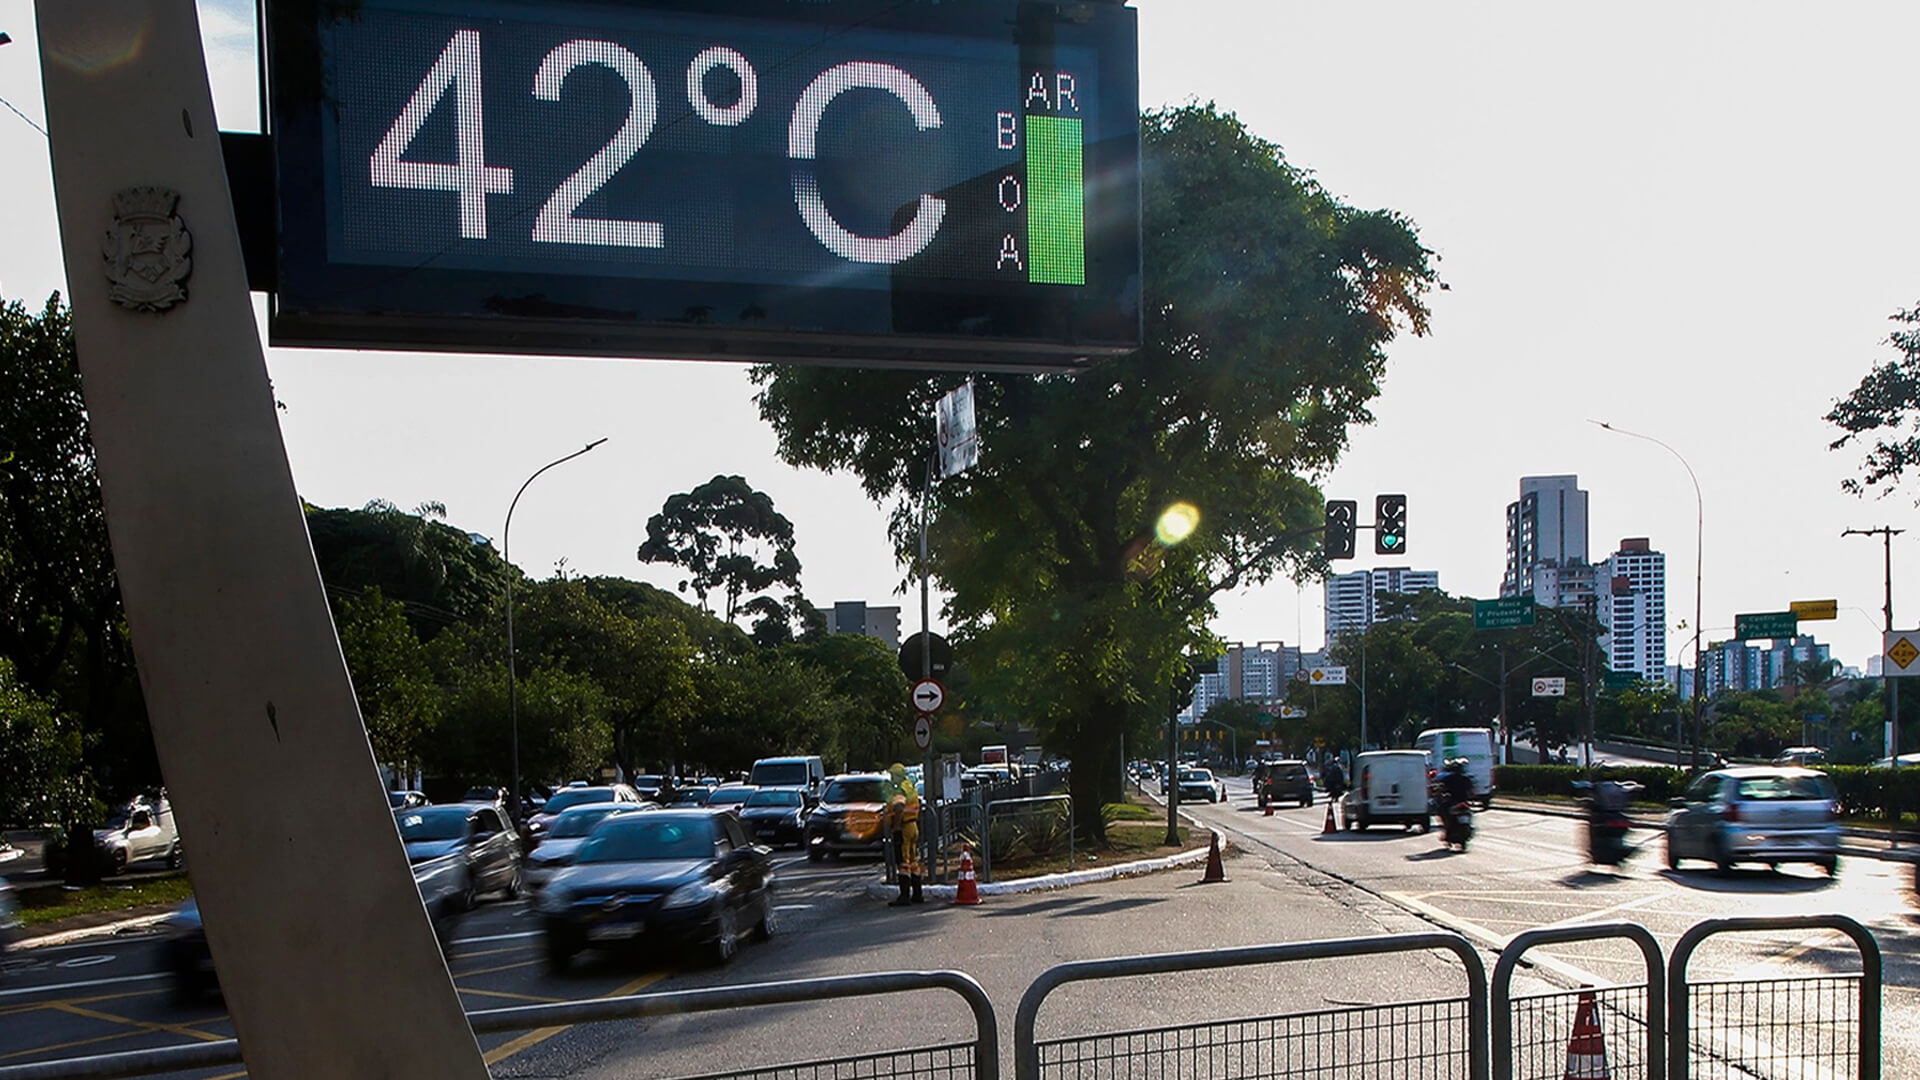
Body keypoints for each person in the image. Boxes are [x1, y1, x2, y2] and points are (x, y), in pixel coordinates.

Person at [884, 763, 923, 906]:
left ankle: (904, 896)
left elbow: (899, 808)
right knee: (913, 861)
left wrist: (896, 827)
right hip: (913, 826)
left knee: (903, 862)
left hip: (904, 827)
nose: (891, 778)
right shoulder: (910, 786)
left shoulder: (900, 789)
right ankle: (917, 894)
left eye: (892, 775)